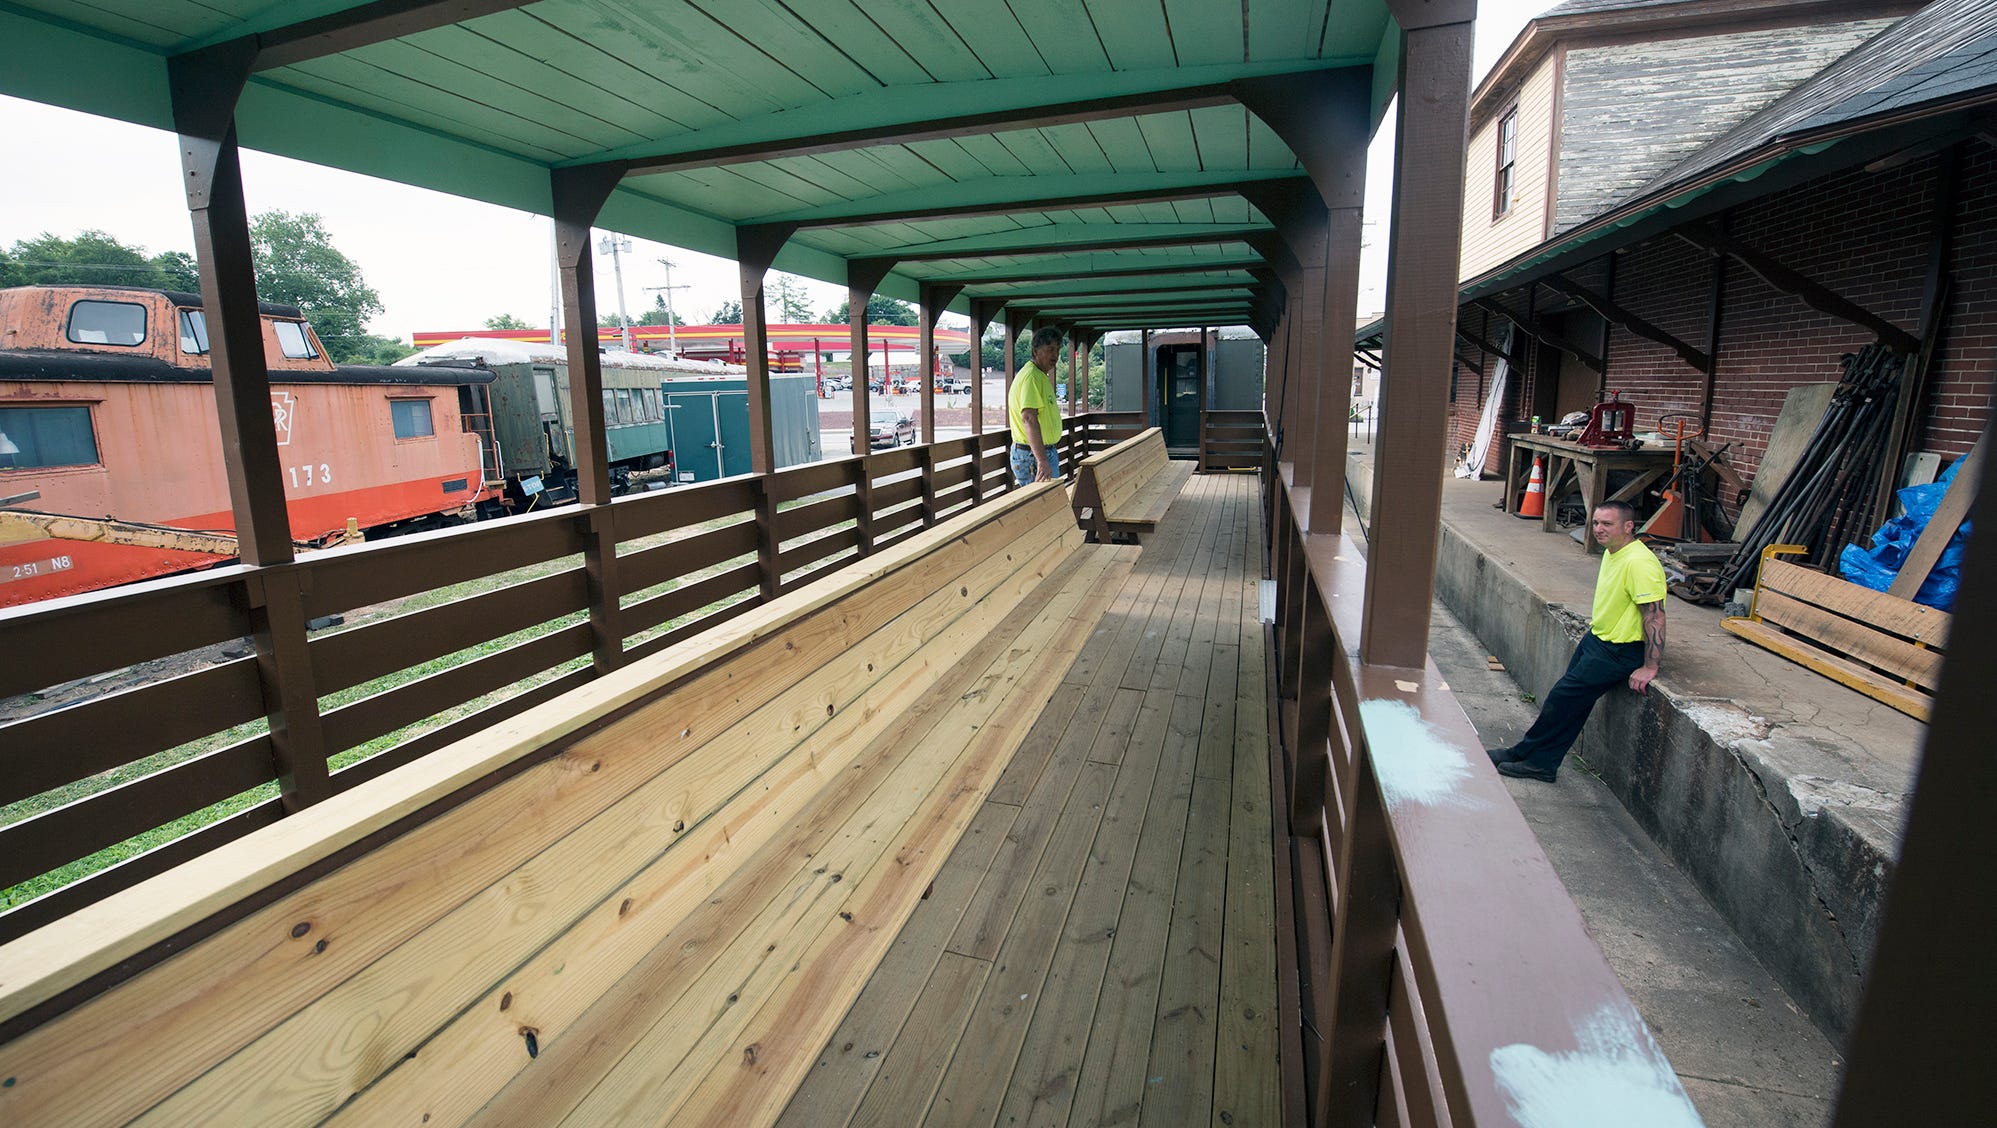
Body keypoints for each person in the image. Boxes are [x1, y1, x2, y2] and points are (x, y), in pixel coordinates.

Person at [1488, 500, 1666, 782]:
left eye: (1607, 524)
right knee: (1569, 703)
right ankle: (1524, 753)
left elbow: (1655, 617)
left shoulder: (1639, 563)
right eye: (1595, 523)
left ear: (1628, 526)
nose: (1599, 529)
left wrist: (1650, 666)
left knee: (1562, 699)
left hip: (1619, 651)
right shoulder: (1613, 551)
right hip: (1598, 638)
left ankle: (1541, 764)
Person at [1008, 326, 1065, 485]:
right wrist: (1042, 460)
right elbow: (1029, 418)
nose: (1055, 355)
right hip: (1033, 456)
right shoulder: (1031, 376)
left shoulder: (1039, 375)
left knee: (1048, 505)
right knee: (1041, 506)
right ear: (1035, 351)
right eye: (1050, 349)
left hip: (1041, 453)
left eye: (1057, 350)